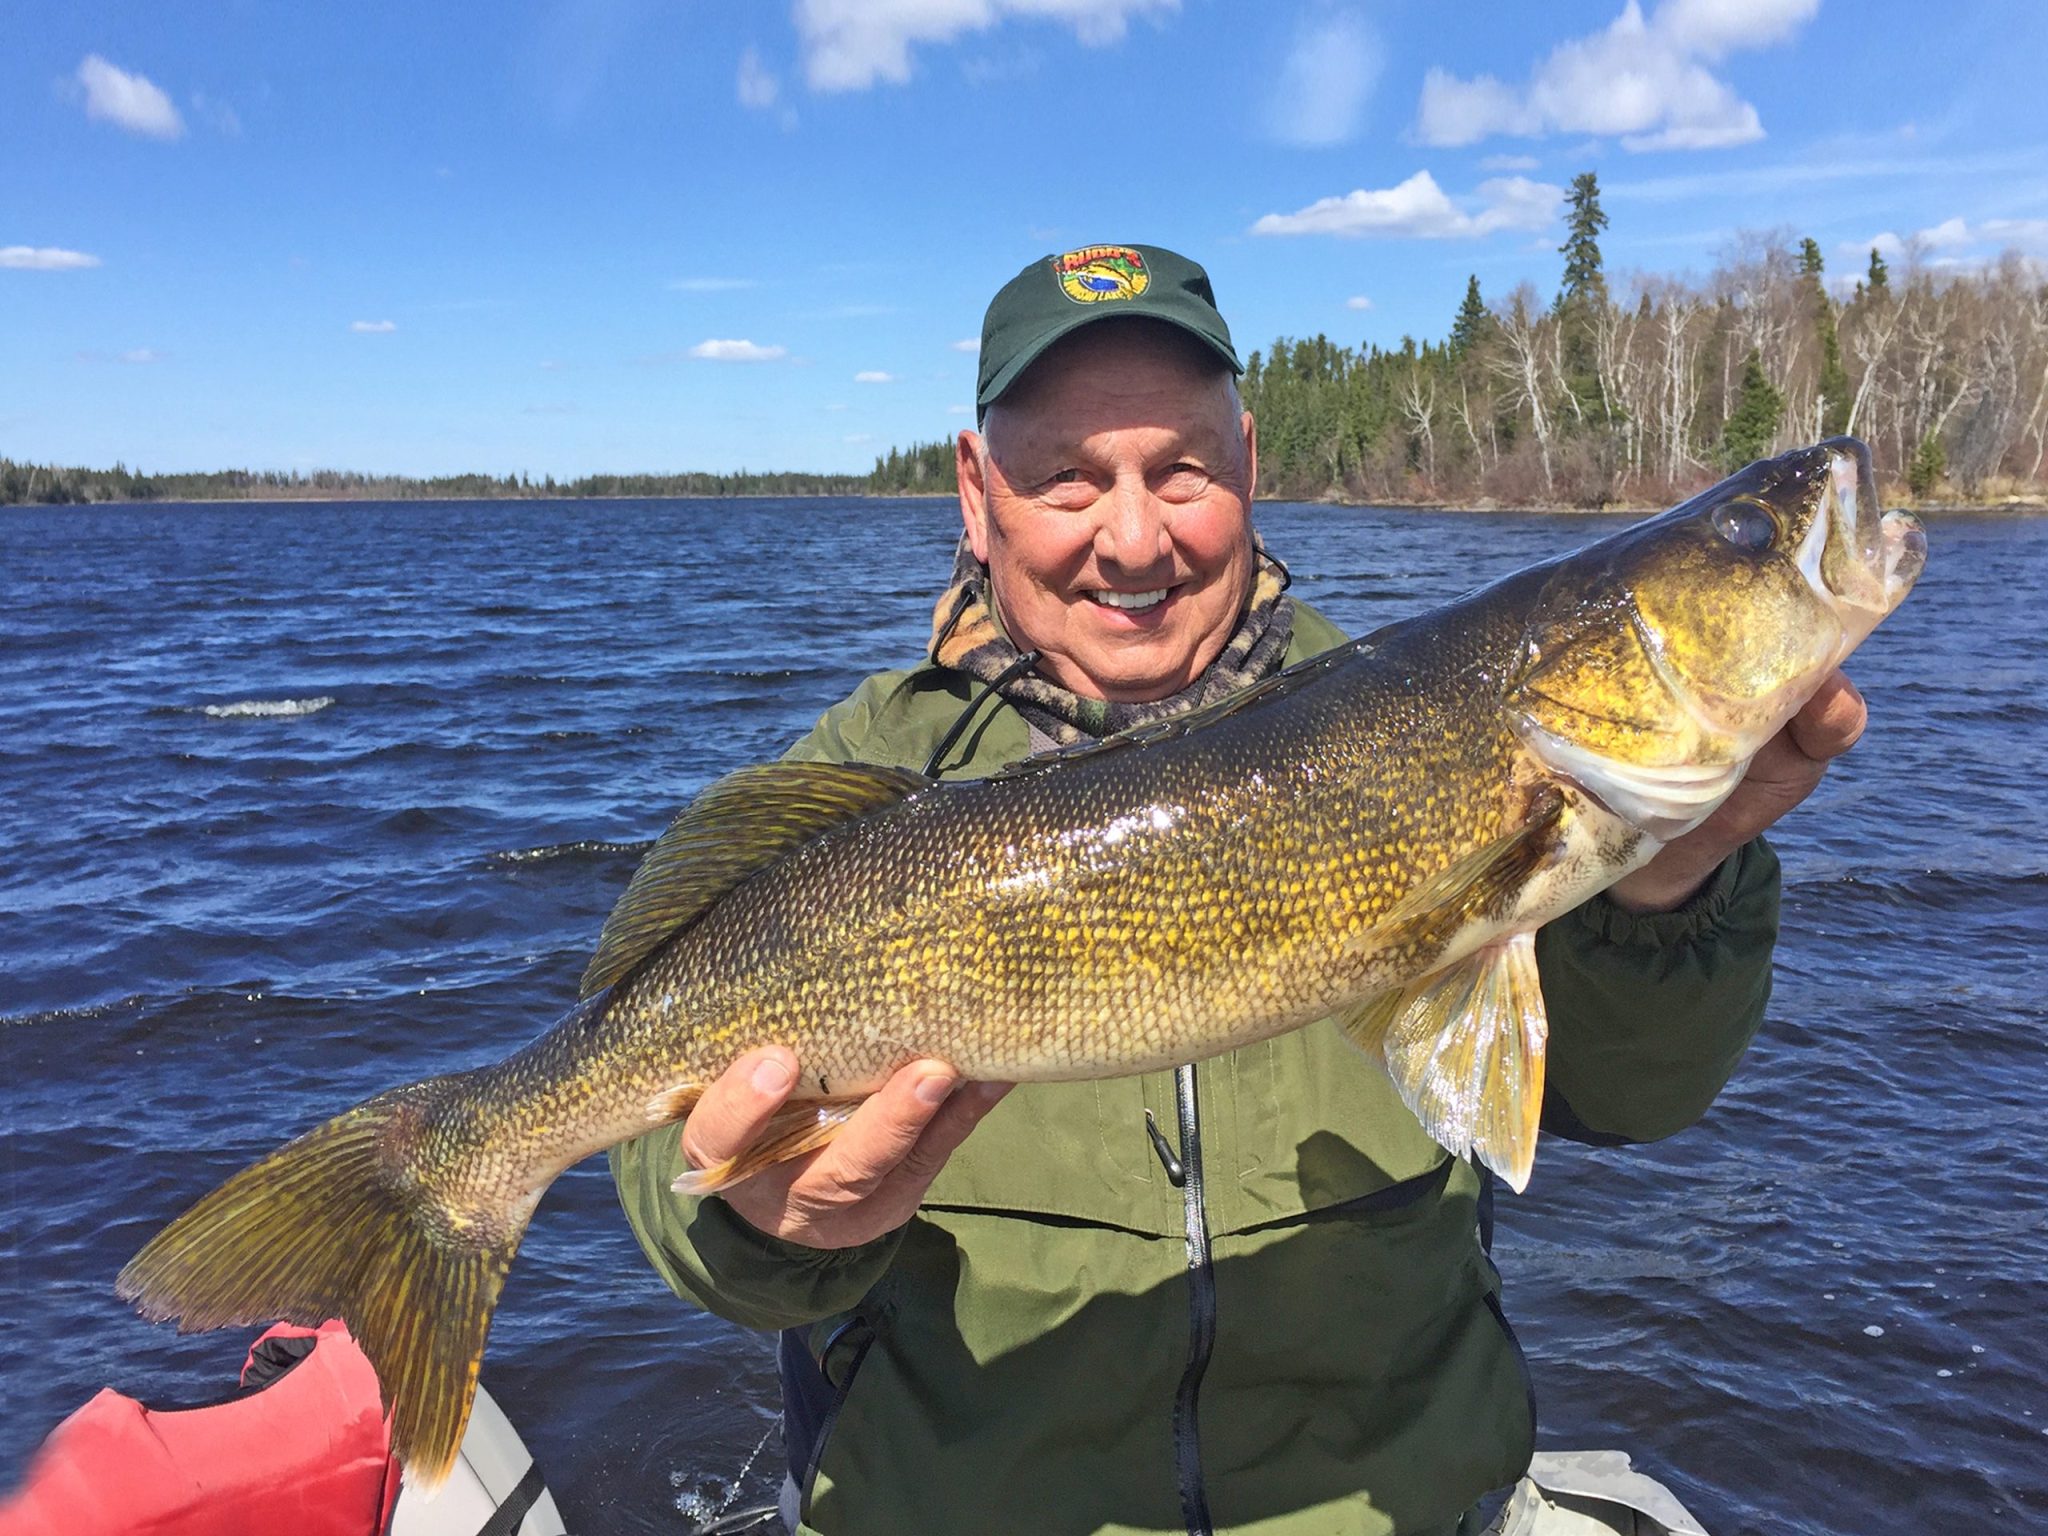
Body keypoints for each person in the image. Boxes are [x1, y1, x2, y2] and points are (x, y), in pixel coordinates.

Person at [611, 245, 1868, 1536]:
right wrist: (773, 1223)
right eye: (1067, 479)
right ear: (976, 496)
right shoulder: (858, 785)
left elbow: (1634, 1095)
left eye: (1182, 470)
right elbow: (660, 1164)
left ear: (1252, 468)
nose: (1135, 535)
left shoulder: (1426, 711)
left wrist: (1667, 891)